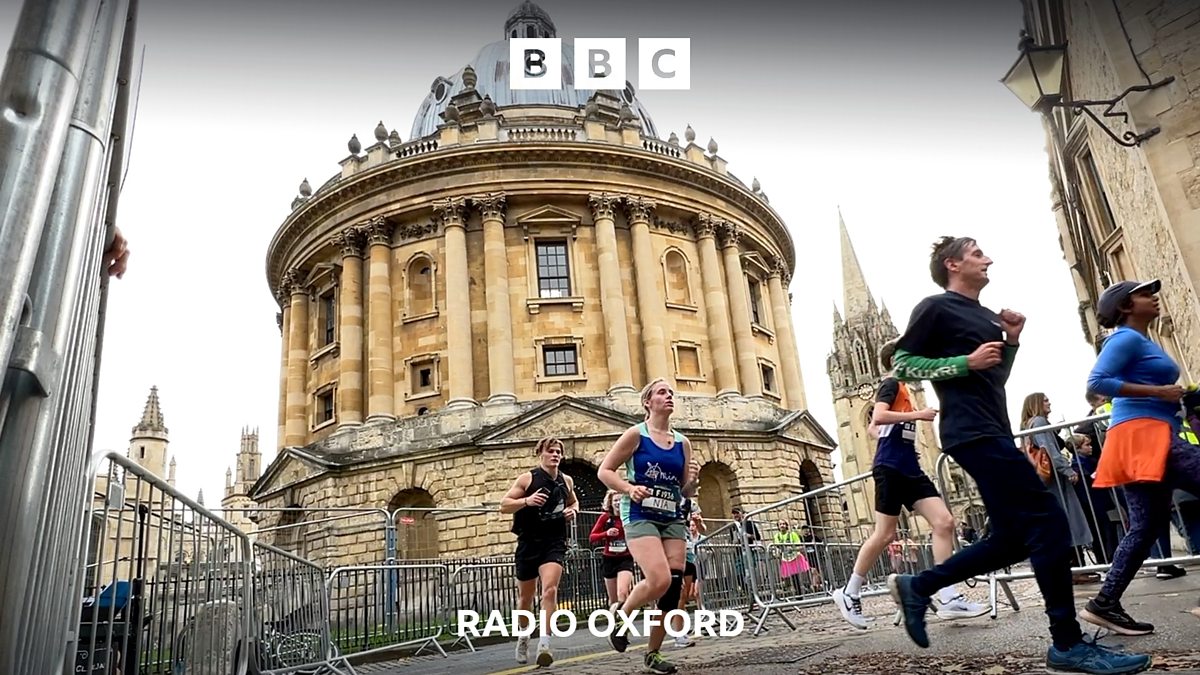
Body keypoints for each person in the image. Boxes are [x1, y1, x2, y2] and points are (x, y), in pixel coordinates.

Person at [885, 236, 1150, 674]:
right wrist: (962, 363)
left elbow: (997, 376)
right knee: (1048, 524)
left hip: (992, 428)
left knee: (1010, 540)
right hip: (968, 431)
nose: (988, 259)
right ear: (953, 264)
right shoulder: (935, 307)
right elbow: (903, 364)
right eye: (976, 254)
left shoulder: (988, 316)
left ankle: (919, 585)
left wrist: (1010, 339)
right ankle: (1067, 643)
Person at [832, 338, 987, 630]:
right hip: (891, 469)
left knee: (944, 522)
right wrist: (918, 415)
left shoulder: (902, 390)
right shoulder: (890, 384)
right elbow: (877, 415)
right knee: (884, 535)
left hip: (909, 468)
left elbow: (872, 426)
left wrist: (887, 434)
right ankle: (849, 592)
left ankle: (947, 595)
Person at [1078, 279, 1200, 636]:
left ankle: (1105, 603)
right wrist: (1159, 390)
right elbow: (1098, 380)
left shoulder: (1139, 340)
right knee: (1145, 526)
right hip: (1146, 434)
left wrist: (1178, 396)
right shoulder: (1124, 338)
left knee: (1145, 527)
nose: (1154, 297)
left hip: (1143, 434)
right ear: (1127, 306)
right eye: (1145, 294)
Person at [599, 378, 698, 675]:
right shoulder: (636, 435)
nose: (669, 396)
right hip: (640, 513)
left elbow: (684, 490)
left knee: (672, 585)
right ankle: (622, 617)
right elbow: (605, 471)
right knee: (659, 578)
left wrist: (692, 482)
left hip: (672, 516)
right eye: (662, 392)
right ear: (647, 402)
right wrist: (629, 489)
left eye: (670, 392)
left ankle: (653, 653)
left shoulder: (683, 443)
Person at [499, 436, 579, 667]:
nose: (555, 455)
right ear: (540, 454)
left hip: (554, 541)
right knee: (525, 598)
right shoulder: (528, 478)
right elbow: (504, 505)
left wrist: (572, 511)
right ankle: (523, 637)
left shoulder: (567, 481)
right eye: (551, 451)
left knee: (550, 589)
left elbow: (574, 502)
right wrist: (527, 501)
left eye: (558, 452)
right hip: (528, 542)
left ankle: (545, 642)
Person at [1020, 393, 1099, 584]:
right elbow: (1050, 450)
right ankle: (1073, 571)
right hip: (1054, 480)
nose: (1049, 402)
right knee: (1068, 521)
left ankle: (1072, 569)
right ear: (1037, 403)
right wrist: (1067, 469)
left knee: (1061, 522)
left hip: (1047, 480)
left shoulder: (1028, 425)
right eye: (1045, 400)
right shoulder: (1038, 421)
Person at [590, 490, 635, 610]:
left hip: (625, 557)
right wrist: (606, 533)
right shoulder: (605, 518)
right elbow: (592, 537)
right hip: (609, 558)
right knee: (614, 599)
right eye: (615, 500)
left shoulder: (630, 516)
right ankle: (615, 621)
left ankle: (624, 622)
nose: (618, 503)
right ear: (610, 502)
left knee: (623, 592)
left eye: (621, 500)